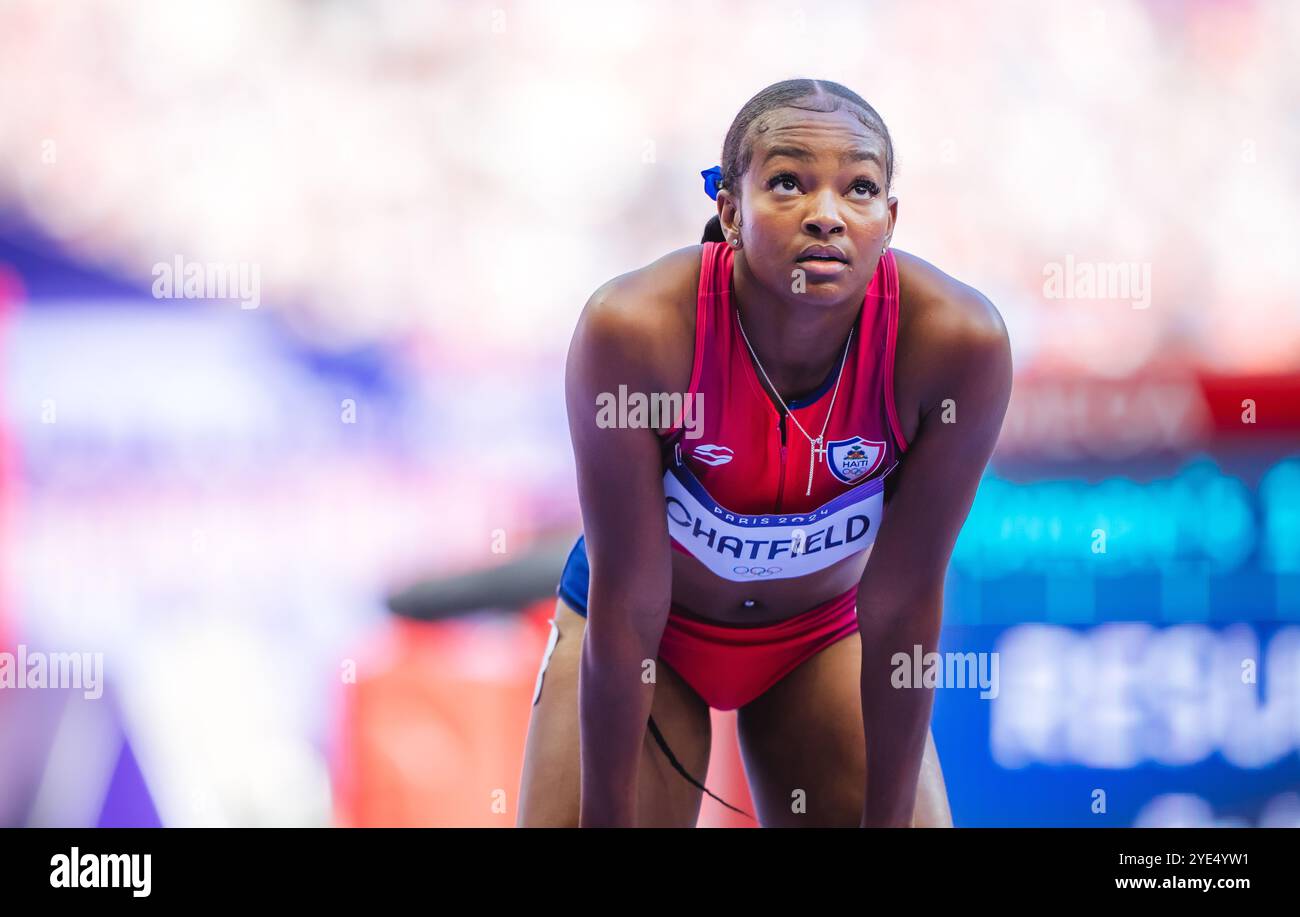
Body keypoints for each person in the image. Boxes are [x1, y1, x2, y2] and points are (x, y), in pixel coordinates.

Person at [517, 78, 1012, 828]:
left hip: (819, 638)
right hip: (655, 635)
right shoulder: (637, 329)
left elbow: (904, 602)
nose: (826, 215)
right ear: (730, 212)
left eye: (860, 189)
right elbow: (630, 607)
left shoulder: (957, 344)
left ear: (890, 221)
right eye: (787, 182)